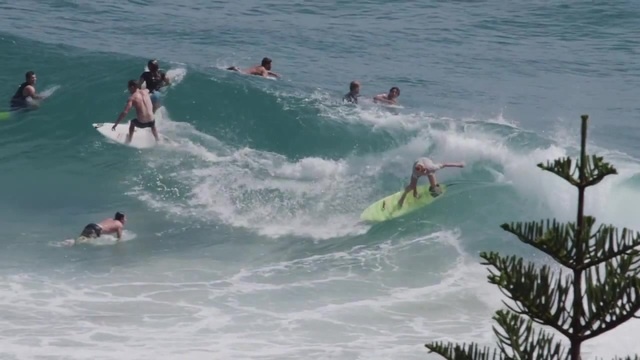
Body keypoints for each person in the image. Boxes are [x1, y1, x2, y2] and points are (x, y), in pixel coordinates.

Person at [397, 157, 464, 208]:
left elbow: (445, 165)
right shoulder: (416, 172)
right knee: (411, 186)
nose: (424, 173)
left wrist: (459, 165)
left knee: (436, 190)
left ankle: (433, 187)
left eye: (424, 171)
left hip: (427, 162)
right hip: (418, 163)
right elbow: (414, 183)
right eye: (422, 172)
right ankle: (402, 197)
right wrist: (415, 192)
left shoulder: (431, 168)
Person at [112, 80, 159, 144]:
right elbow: (149, 89)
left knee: (132, 122)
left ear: (132, 87)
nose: (129, 90)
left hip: (142, 123)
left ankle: (129, 140)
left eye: (129, 88)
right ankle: (157, 139)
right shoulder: (145, 91)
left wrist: (116, 124)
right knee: (152, 124)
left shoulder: (132, 98)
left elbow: (125, 112)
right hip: (152, 120)